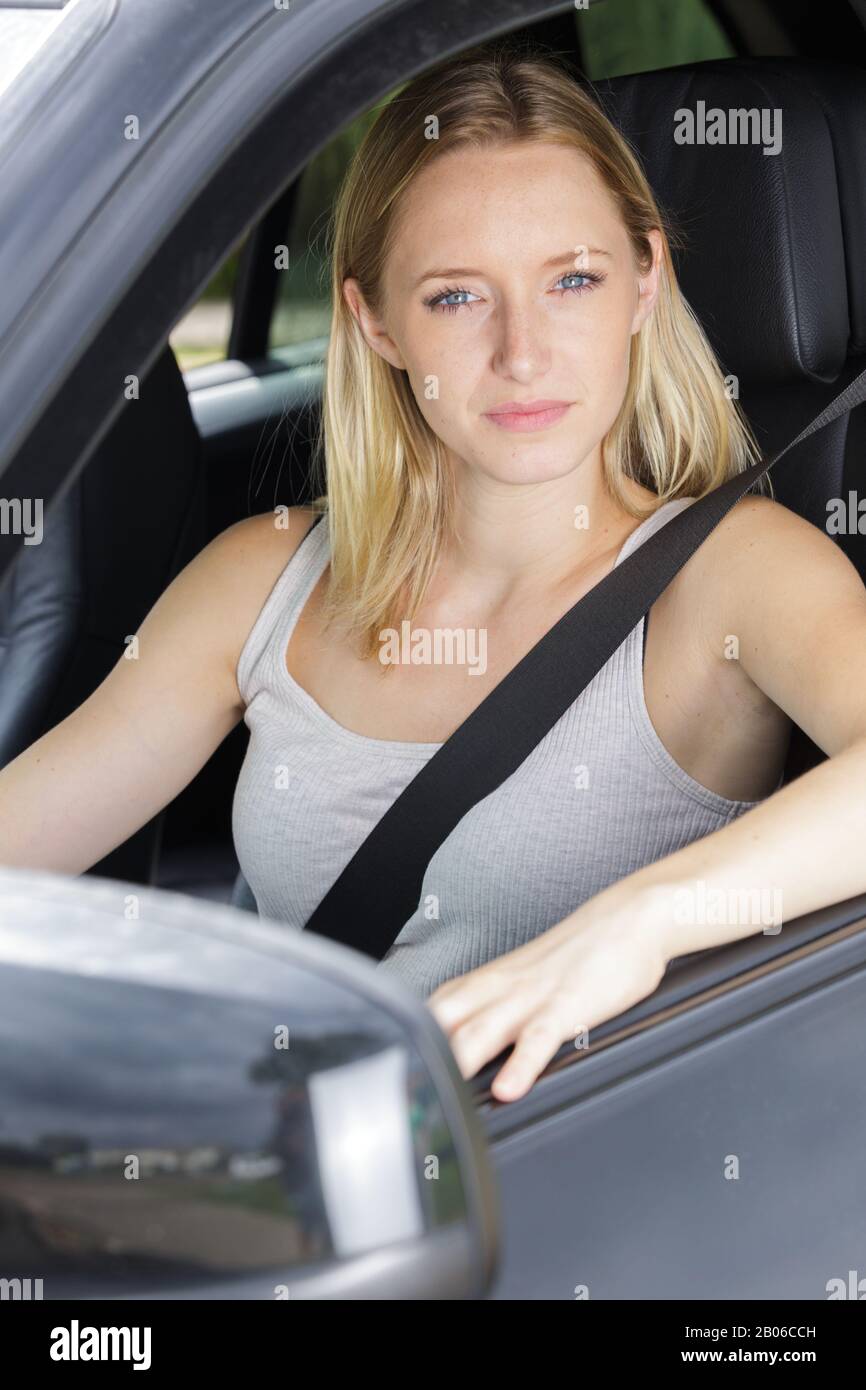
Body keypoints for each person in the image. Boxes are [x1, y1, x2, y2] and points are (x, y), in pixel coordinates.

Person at [2, 42, 865, 1104]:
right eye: (457, 298)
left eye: (572, 280)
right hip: (309, 1176)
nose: (521, 352)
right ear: (374, 322)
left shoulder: (733, 575)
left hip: (576, 1182)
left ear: (646, 282)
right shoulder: (263, 577)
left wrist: (636, 925)